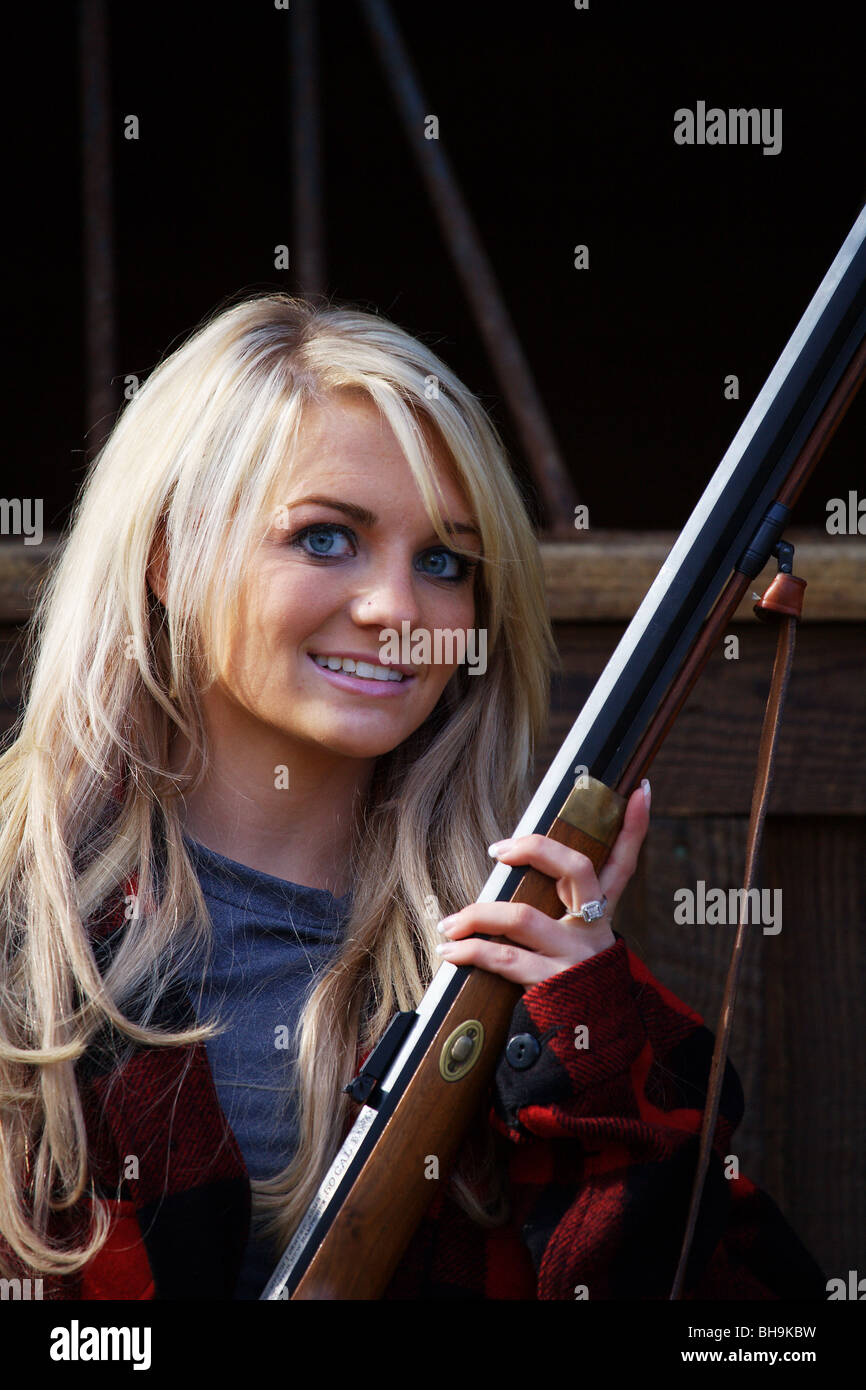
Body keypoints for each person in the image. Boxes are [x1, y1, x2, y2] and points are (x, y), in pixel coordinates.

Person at [0, 295, 825, 1301]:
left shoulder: (522, 967)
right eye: (324, 538)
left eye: (443, 561)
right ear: (169, 555)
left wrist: (598, 1068)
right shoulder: (21, 925)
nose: (398, 609)